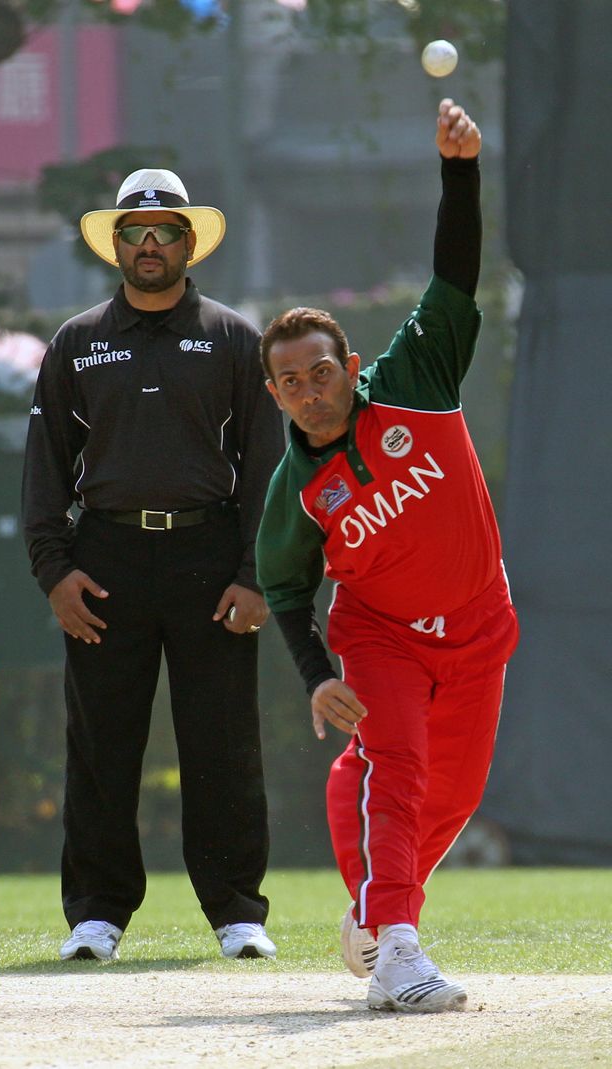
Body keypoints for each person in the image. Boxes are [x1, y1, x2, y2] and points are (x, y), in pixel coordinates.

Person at [256, 99, 519, 1012]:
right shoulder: (295, 488)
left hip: (482, 622)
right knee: (398, 760)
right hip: (381, 633)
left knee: (453, 790)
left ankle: (373, 901)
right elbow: (286, 587)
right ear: (275, 394)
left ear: (349, 362)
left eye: (320, 372)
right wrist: (315, 674)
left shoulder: (415, 379)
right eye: (289, 382)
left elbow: (454, 275)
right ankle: (398, 954)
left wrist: (460, 171)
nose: (308, 391)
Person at [22, 167, 285, 962]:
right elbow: (44, 466)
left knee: (223, 738)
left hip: (211, 560)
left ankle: (238, 909)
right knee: (102, 742)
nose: (148, 243)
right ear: (116, 246)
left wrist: (254, 574)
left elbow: (268, 465)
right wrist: (54, 571)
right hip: (105, 560)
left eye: (164, 230)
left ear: (187, 242)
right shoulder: (77, 341)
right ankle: (97, 914)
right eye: (134, 232)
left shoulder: (237, 338)